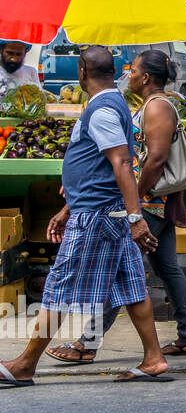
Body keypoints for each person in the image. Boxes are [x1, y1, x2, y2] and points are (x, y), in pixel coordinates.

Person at [0, 46, 172, 387]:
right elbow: (99, 166)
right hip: (106, 212)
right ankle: (153, 358)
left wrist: (136, 217)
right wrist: (68, 207)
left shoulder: (103, 110)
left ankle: (24, 365)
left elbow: (121, 163)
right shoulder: (112, 103)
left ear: (81, 72)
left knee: (59, 288)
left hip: (96, 217)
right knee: (131, 287)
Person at [45, 50, 186, 364]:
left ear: (145, 78)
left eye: (133, 71)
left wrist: (135, 204)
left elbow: (155, 159)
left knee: (121, 275)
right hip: (152, 203)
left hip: (149, 204)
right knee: (165, 267)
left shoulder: (157, 107)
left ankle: (87, 344)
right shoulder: (147, 105)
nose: (128, 76)